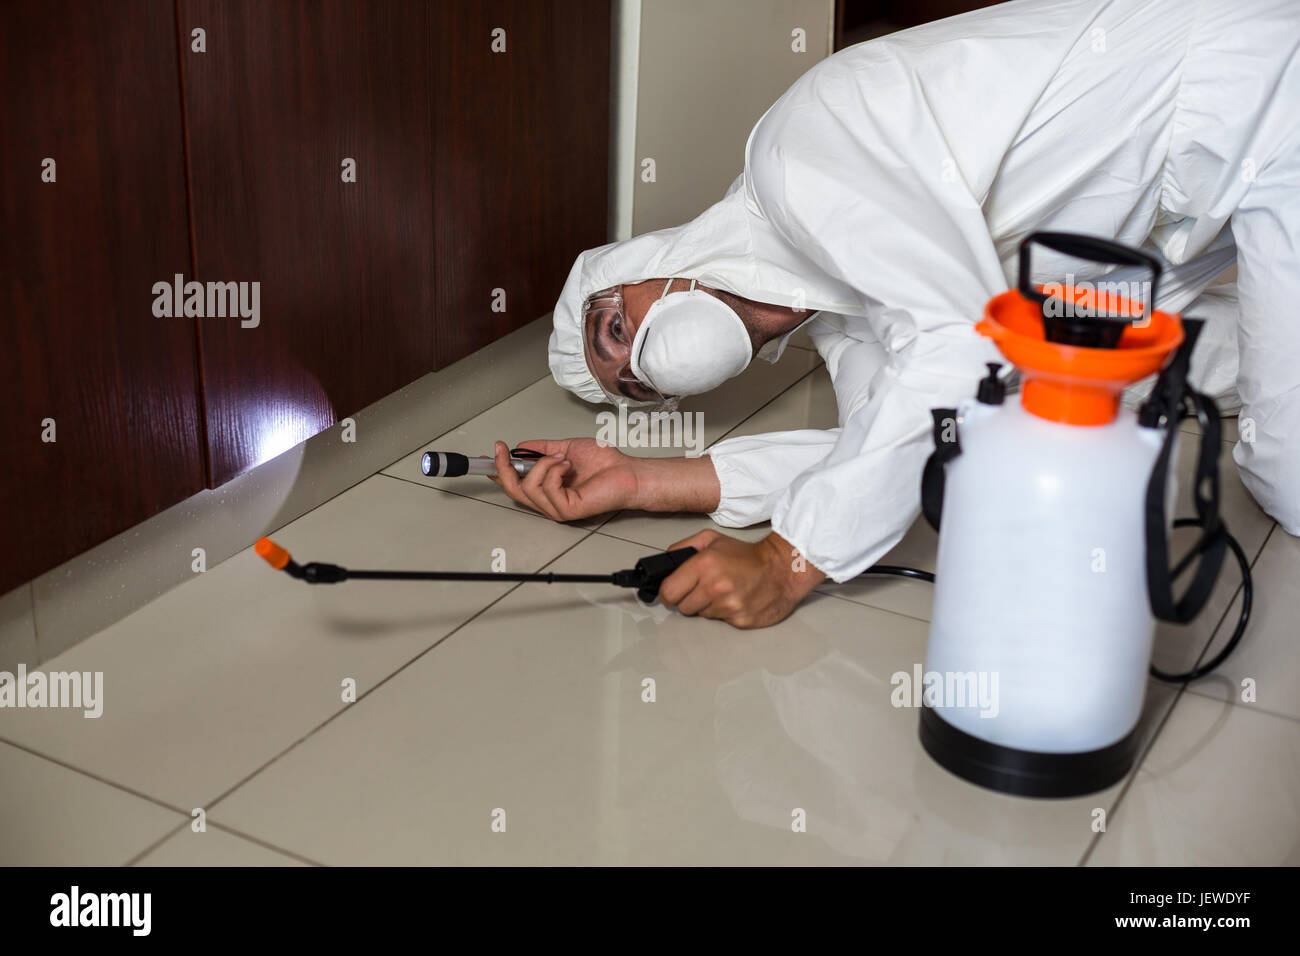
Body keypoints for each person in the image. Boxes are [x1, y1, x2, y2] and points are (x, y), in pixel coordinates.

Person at [495, 0, 1300, 628]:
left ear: (645, 267)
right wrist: (645, 479)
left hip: (1249, 95)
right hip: (1183, 207)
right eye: (633, 386)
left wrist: (787, 561)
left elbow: (955, 348)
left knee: (1284, 475)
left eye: (616, 331)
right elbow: (896, 440)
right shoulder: (841, 314)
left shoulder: (793, 160)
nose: (643, 364)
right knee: (1099, 387)